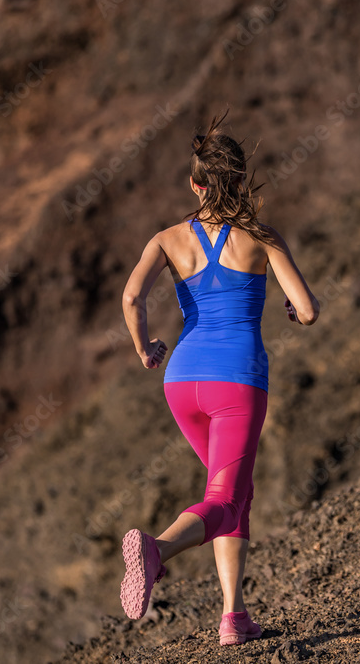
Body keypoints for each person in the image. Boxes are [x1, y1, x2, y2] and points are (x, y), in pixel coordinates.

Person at [118, 112, 319, 645]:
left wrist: (144, 349)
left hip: (182, 381)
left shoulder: (166, 239)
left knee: (233, 492)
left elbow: (132, 297)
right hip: (237, 382)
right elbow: (308, 309)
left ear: (195, 183)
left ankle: (234, 616)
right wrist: (295, 313)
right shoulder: (261, 235)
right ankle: (156, 549)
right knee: (226, 499)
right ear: (238, 178)